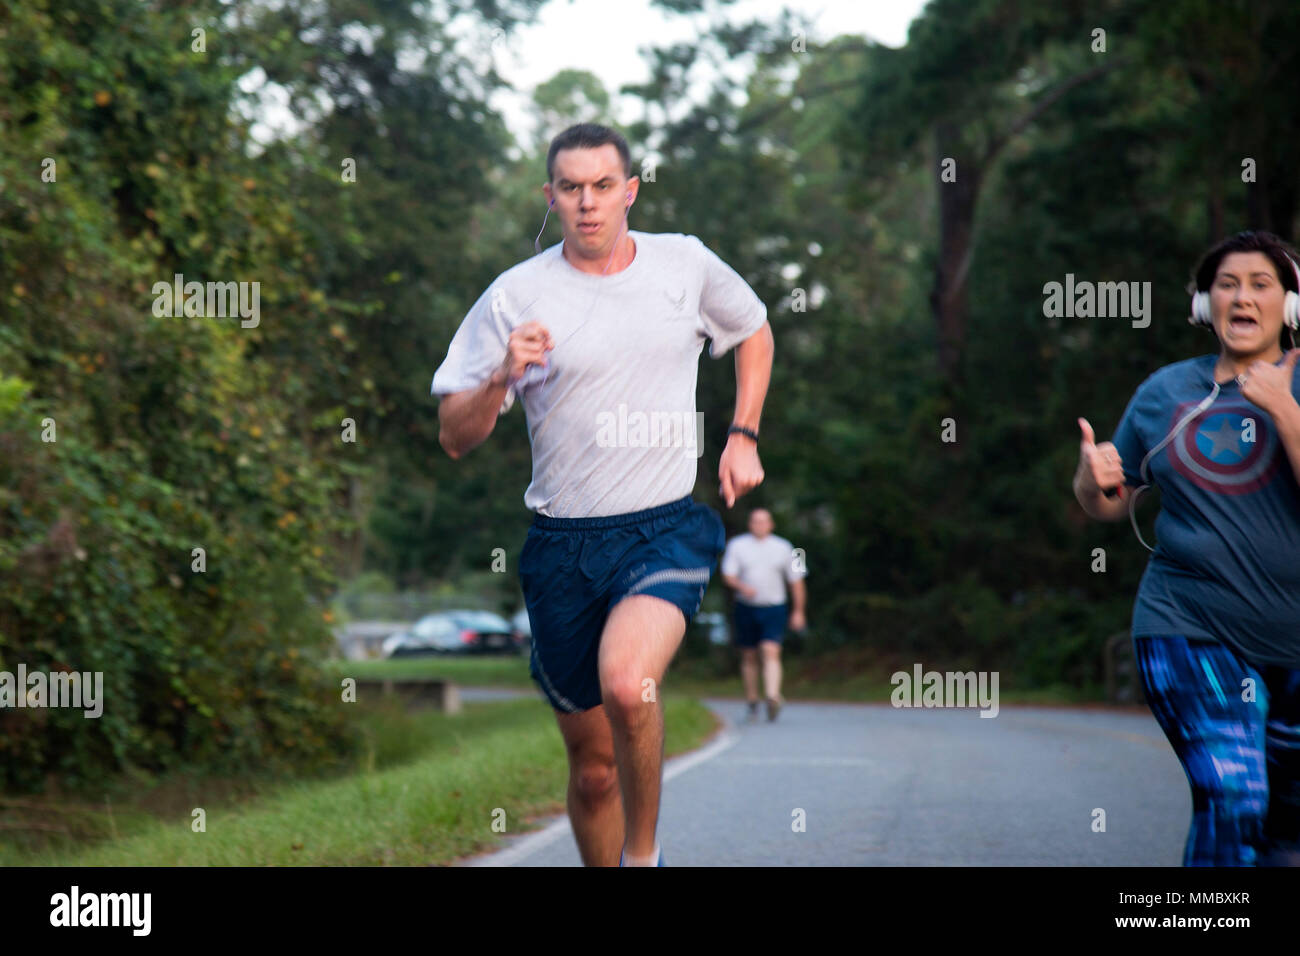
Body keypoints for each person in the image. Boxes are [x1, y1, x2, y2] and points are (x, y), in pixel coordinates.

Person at [432, 123, 774, 867]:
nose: (588, 203)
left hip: (662, 528)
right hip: (561, 546)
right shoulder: (516, 296)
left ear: (630, 190)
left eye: (602, 185)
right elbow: (455, 435)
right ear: (548, 197)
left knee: (628, 685)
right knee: (592, 774)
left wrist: (743, 431)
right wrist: (500, 376)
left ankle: (644, 856)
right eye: (570, 188)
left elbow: (753, 329)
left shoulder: (682, 265)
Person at [1074, 230, 1300, 866]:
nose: (1242, 297)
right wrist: (1090, 480)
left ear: (1290, 306)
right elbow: (1111, 503)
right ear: (1205, 305)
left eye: (1261, 284)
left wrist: (1283, 410)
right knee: (1233, 797)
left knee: (1282, 830)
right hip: (1188, 627)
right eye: (1227, 284)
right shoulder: (1166, 392)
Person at [720, 508, 806, 721]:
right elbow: (728, 575)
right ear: (750, 524)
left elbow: (797, 581)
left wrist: (798, 611)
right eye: (755, 521)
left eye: (763, 521)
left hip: (774, 607)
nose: (759, 525)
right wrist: (742, 587)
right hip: (746, 607)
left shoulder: (785, 547)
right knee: (749, 655)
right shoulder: (737, 545)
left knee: (771, 650)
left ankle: (772, 696)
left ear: (771, 524)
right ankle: (752, 701)